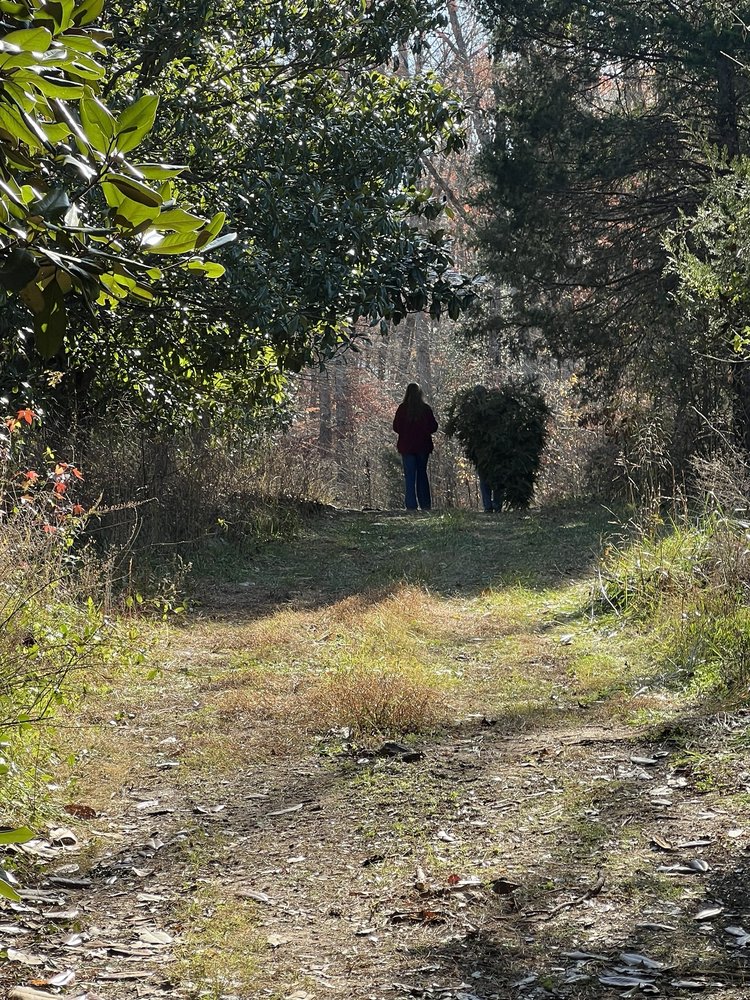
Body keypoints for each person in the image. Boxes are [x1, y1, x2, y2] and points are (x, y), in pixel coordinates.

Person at [392, 383, 438, 511]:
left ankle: (411, 505)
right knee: (422, 474)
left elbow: (396, 427)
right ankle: (425, 504)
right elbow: (434, 427)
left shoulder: (402, 409)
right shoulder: (425, 409)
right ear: (420, 393)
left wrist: (406, 432)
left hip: (406, 447)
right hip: (423, 447)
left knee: (410, 476)